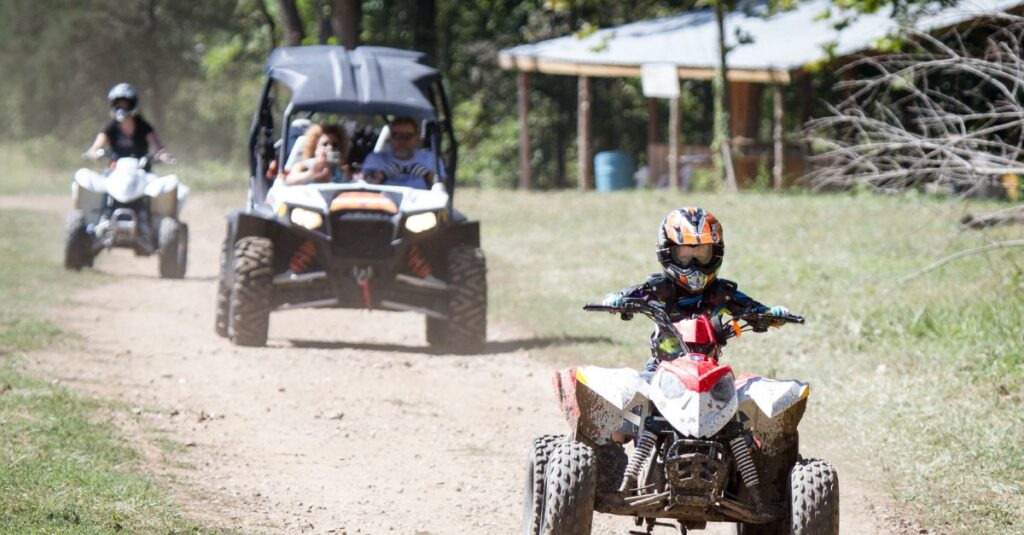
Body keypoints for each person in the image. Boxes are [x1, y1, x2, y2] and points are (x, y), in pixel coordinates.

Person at [601, 207, 791, 371]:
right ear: (667, 254)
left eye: (702, 254)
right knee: (637, 393)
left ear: (715, 254)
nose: (693, 264)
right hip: (661, 366)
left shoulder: (721, 294)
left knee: (732, 400)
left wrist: (772, 315)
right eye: (685, 255)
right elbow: (629, 295)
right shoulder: (659, 290)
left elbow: (752, 309)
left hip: (707, 370)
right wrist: (615, 300)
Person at [85, 83, 171, 164]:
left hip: (141, 173)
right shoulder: (110, 127)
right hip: (115, 174)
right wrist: (94, 153)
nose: (121, 109)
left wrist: (163, 156)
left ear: (133, 104)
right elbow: (95, 147)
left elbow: (159, 149)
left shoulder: (144, 127)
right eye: (118, 105)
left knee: (172, 180)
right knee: (82, 175)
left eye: (125, 105)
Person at [361, 117, 443, 190]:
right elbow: (365, 189)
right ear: (389, 139)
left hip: (420, 205)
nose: (401, 141)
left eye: (407, 136)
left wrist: (428, 175)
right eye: (396, 135)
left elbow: (444, 190)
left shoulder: (430, 159)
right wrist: (381, 176)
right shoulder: (375, 159)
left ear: (417, 140)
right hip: (383, 205)